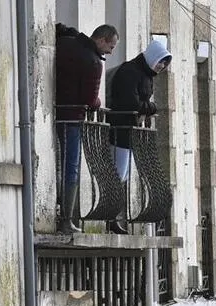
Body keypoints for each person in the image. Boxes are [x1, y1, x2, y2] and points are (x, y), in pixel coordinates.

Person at [54, 23, 119, 234]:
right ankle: (66, 220)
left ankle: (61, 211)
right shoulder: (93, 62)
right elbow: (90, 100)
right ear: (101, 40)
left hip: (57, 113)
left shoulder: (65, 45)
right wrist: (98, 104)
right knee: (71, 167)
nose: (111, 51)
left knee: (61, 164)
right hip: (73, 118)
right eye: (111, 46)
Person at [105, 39, 172, 233]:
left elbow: (140, 102)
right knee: (118, 173)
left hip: (130, 130)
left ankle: (114, 215)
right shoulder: (131, 72)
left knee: (122, 174)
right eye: (161, 61)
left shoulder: (145, 74)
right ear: (152, 57)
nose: (162, 66)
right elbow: (130, 102)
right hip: (120, 129)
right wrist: (152, 108)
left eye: (165, 63)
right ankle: (111, 216)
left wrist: (147, 108)